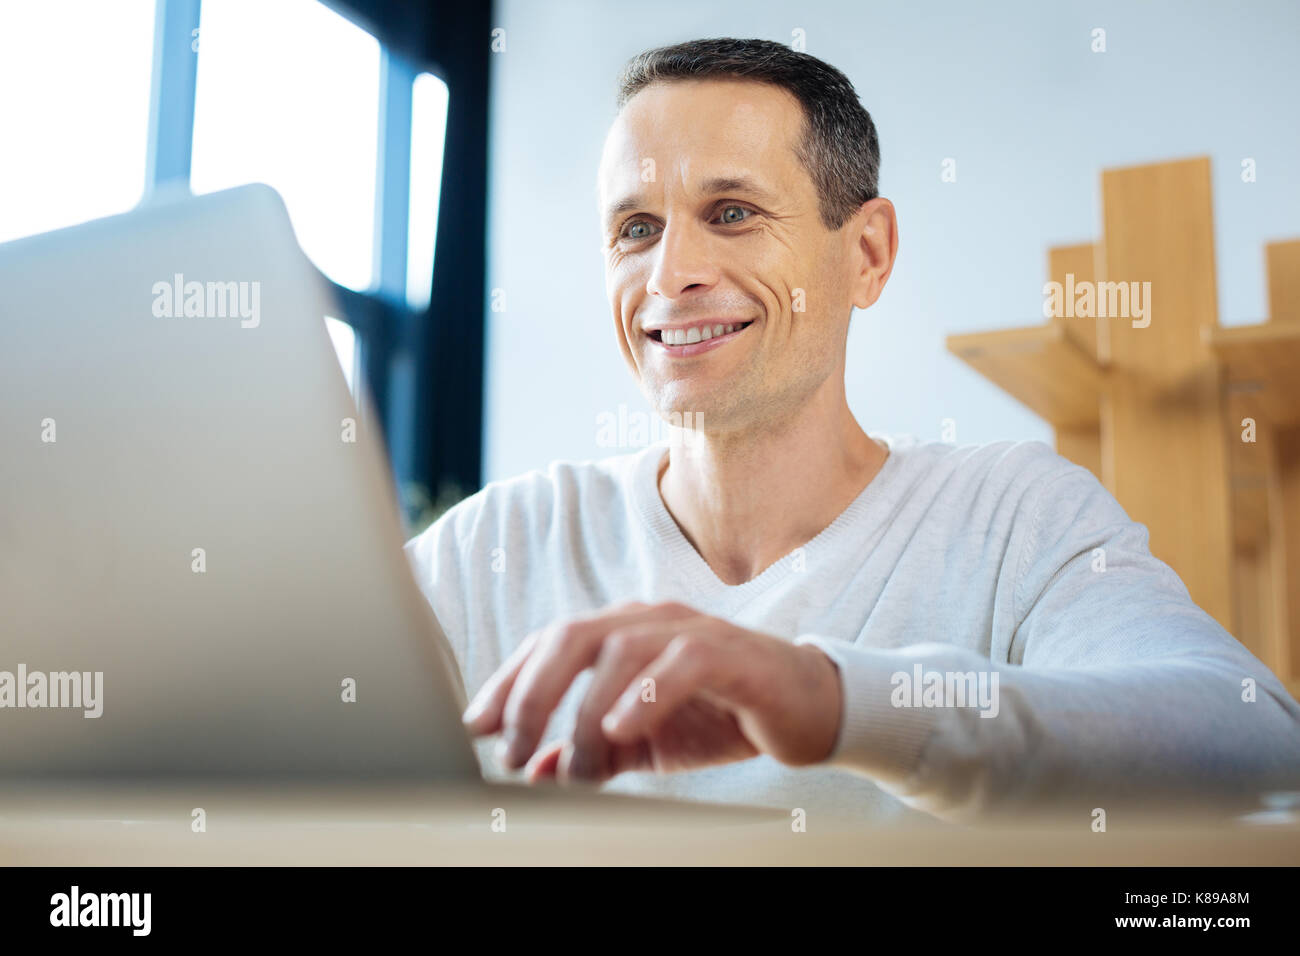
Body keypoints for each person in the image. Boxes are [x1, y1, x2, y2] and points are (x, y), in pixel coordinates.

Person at [406, 37, 1300, 824]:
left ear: (866, 254)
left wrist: (832, 700)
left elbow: (1253, 734)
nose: (669, 274)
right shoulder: (500, 544)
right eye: (636, 229)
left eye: (732, 213)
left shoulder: (1011, 516)